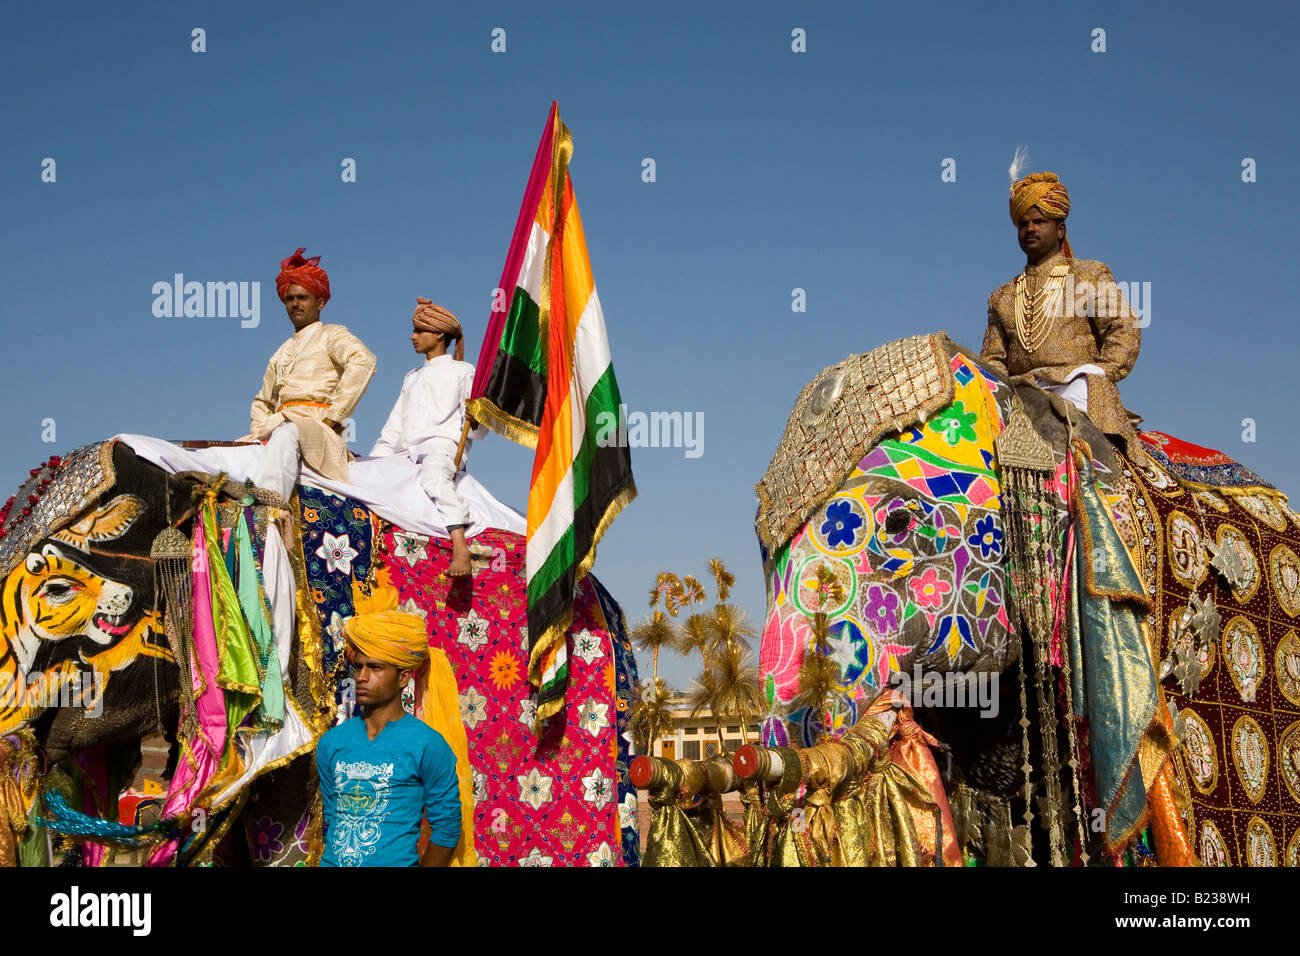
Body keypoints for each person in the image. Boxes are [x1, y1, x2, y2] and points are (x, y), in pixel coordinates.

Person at [980, 167, 1145, 460]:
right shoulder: (1002, 296)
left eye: (1039, 221)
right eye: (1023, 223)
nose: (1030, 229)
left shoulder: (1089, 275)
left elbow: (1125, 328)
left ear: (1060, 229)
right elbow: (993, 360)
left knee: (1081, 445)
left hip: (1075, 385)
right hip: (1020, 392)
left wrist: (1101, 371)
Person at [316, 573, 472, 867]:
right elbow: (333, 819)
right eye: (358, 666)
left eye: (375, 667)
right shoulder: (332, 743)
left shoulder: (428, 745)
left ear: (403, 678)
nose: (361, 677)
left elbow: (448, 828)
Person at [244, 248, 377, 499]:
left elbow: (364, 360)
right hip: (278, 426)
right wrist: (259, 430)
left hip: (317, 428)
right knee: (228, 453)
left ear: (321, 302)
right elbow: (262, 400)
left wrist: (333, 418)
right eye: (290, 298)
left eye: (302, 297)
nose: (295, 304)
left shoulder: (332, 335)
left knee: (287, 434)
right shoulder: (280, 352)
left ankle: (265, 516)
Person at [370, 298, 486, 577]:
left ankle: (460, 549)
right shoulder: (412, 376)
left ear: (439, 334)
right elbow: (395, 428)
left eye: (419, 330)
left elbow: (479, 432)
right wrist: (373, 462)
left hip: (441, 450)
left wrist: (477, 416)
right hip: (408, 453)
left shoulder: (463, 371)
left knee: (433, 478)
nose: (412, 337)